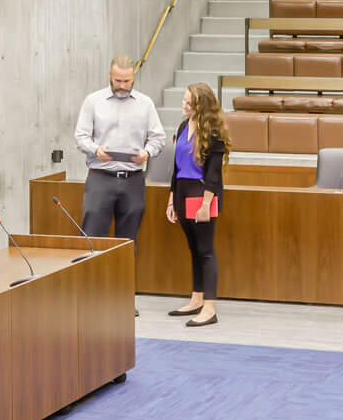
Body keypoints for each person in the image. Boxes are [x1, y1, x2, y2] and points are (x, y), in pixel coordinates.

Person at [73, 55, 161, 243]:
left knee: (128, 242)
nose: (122, 85)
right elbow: (81, 136)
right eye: (118, 81)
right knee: (92, 239)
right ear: (110, 76)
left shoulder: (145, 103)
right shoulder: (93, 101)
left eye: (127, 81)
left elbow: (158, 137)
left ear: (133, 78)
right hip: (100, 177)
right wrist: (96, 150)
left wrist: (147, 152)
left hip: (133, 180)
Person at [165, 84, 228, 327]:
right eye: (183, 100)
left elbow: (214, 174)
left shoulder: (213, 132)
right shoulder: (183, 126)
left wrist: (206, 204)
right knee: (193, 249)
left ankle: (209, 308)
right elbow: (176, 167)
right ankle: (196, 298)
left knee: (205, 250)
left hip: (202, 194)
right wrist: (171, 199)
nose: (183, 105)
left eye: (188, 102)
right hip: (182, 191)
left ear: (201, 106)